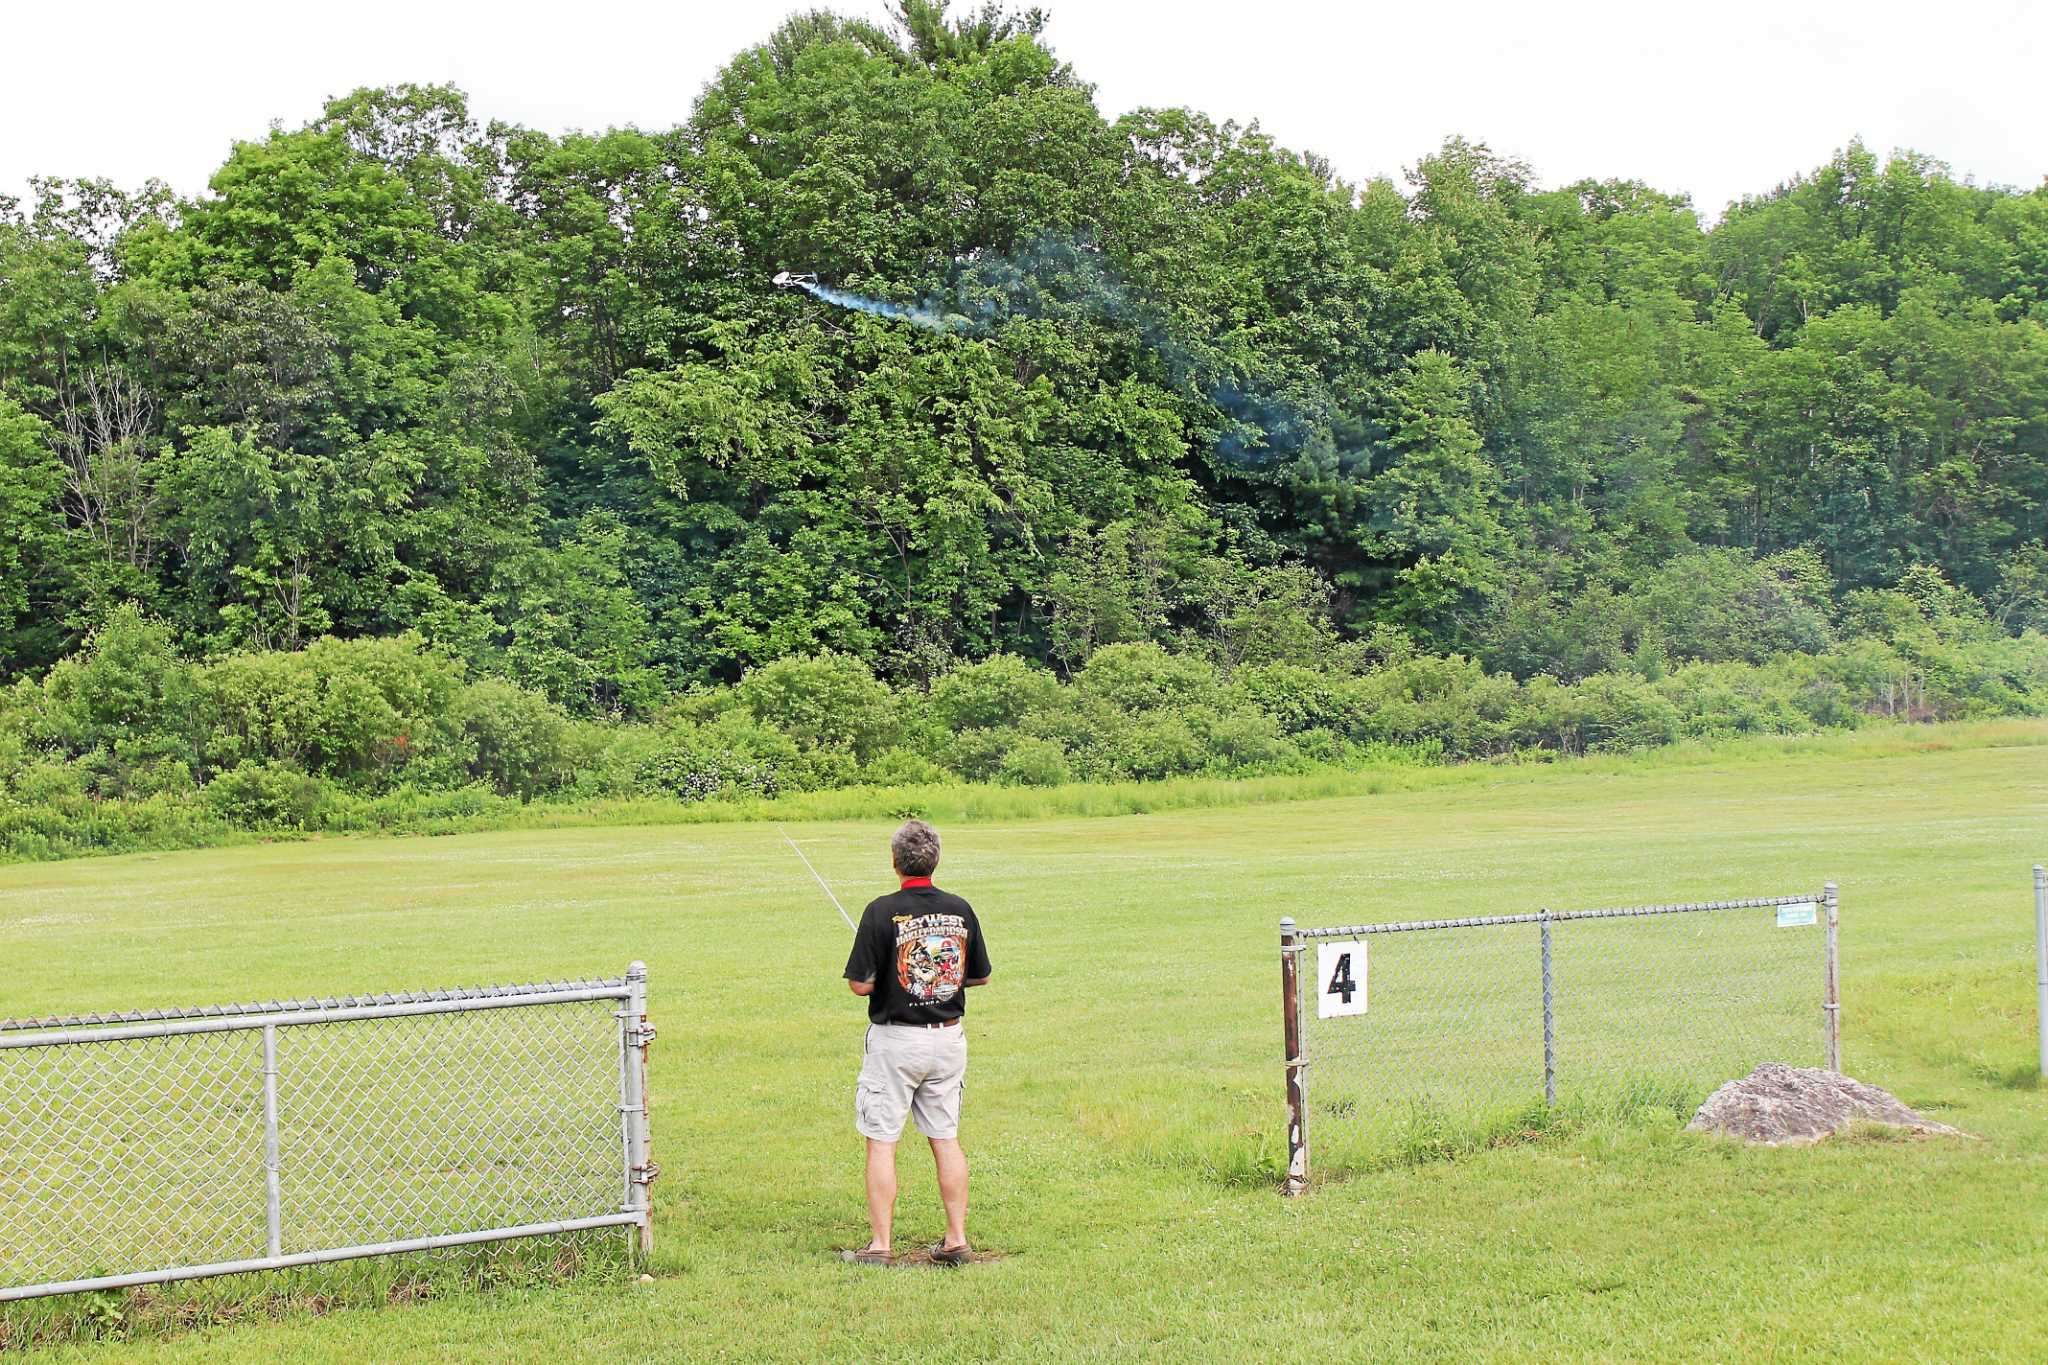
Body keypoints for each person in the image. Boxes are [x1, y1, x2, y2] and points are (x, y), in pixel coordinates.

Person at [841, 819, 992, 1266]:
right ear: (935, 860)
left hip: (897, 1042)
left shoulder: (880, 911)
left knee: (881, 1140)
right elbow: (978, 975)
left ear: (895, 862)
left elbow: (860, 985)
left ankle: (880, 1246)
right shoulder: (960, 909)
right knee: (945, 1137)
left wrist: (890, 976)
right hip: (948, 1040)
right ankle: (956, 1240)